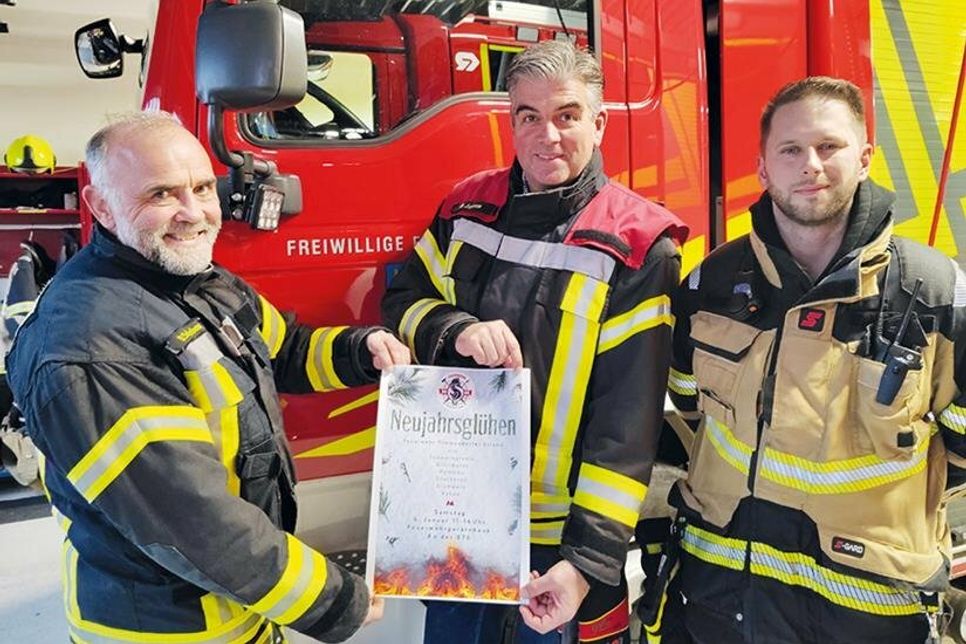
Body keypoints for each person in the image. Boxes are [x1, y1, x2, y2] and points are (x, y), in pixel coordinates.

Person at [5, 111, 411, 644]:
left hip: (238, 608)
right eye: (161, 194)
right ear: (100, 206)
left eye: (201, 188)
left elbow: (282, 349)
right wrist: (332, 599)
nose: (194, 213)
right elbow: (195, 524)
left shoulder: (194, 280)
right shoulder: (91, 346)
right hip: (164, 632)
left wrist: (361, 351)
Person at [382, 40, 688, 643]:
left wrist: (586, 563)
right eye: (529, 116)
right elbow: (402, 303)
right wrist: (456, 329)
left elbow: (627, 426)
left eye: (567, 115)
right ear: (511, 123)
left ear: (599, 124)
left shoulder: (639, 245)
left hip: (559, 546)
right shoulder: (466, 209)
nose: (547, 136)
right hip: (459, 519)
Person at [646, 76, 966, 644]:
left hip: (867, 614)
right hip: (722, 600)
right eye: (791, 150)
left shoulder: (935, 292)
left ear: (864, 158)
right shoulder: (709, 284)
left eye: (828, 146)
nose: (810, 165)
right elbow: (688, 407)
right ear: (763, 168)